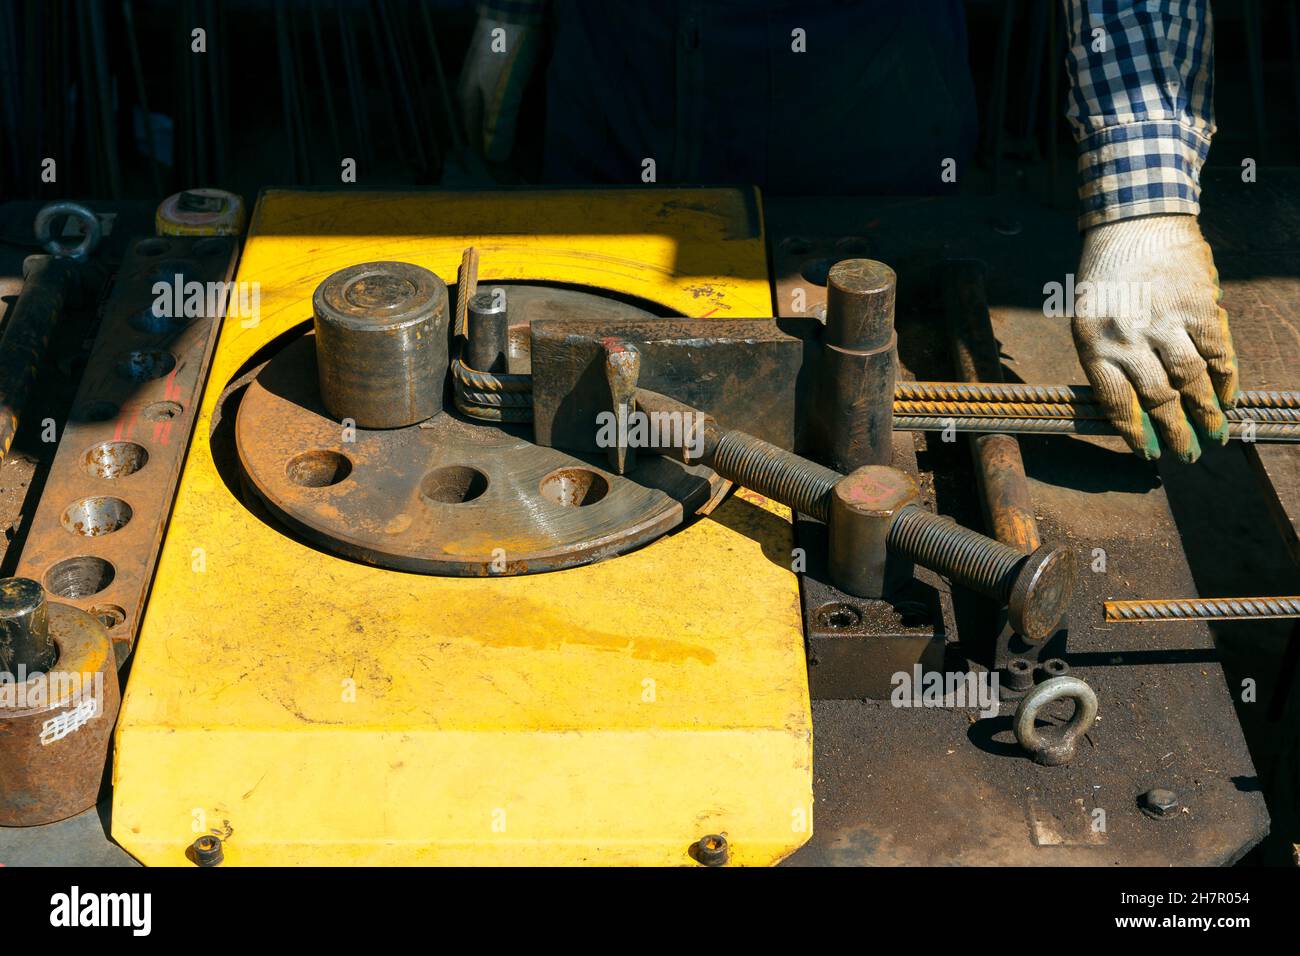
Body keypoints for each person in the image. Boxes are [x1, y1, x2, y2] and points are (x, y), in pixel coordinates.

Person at [459, 0, 1235, 463]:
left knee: (869, 414)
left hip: (859, 75)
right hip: (615, 67)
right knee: (580, 400)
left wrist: (1144, 196)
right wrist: (511, 13)